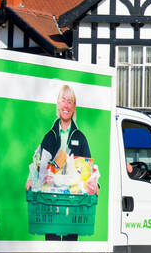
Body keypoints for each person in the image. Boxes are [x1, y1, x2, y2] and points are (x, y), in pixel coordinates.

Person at [26, 84, 99, 240]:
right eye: (63, 100)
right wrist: (31, 179)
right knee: (51, 243)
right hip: (50, 203)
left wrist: (95, 185)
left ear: (74, 107)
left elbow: (88, 168)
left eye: (70, 101)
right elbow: (38, 164)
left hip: (72, 202)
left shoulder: (80, 137)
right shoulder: (49, 136)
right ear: (58, 104)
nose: (66, 105)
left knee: (70, 244)